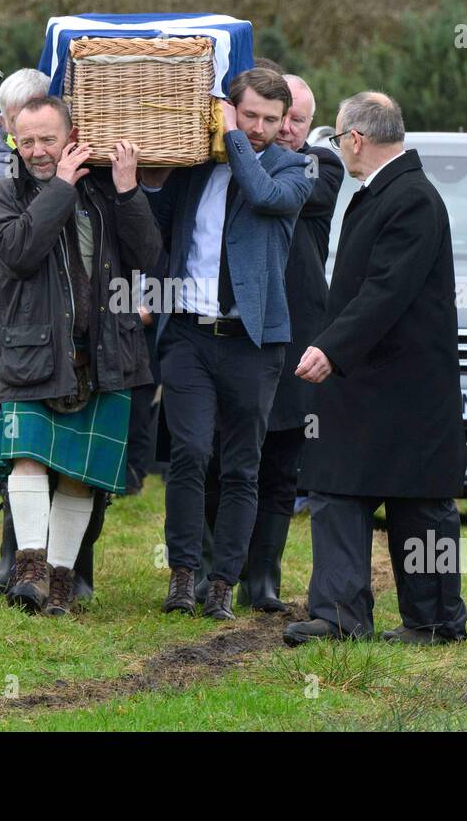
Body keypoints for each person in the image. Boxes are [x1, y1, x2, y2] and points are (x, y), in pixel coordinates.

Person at [283, 91, 467, 647]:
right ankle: (340, 615)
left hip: (406, 388)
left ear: (356, 140)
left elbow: (386, 291)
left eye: (338, 139)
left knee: (420, 504)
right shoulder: (386, 191)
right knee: (336, 489)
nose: (340, 149)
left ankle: (434, 623)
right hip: (362, 385)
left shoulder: (411, 198)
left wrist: (331, 348)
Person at [0, 95, 161, 615]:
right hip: (34, 351)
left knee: (81, 471)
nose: (37, 151)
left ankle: (60, 580)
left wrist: (129, 193)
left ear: (72, 135)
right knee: (29, 457)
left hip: (104, 351)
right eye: (27, 140)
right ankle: (29, 567)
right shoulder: (3, 194)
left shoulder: (105, 194)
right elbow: (19, 250)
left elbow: (150, 256)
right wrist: (59, 185)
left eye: (48, 140)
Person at [146, 67, 313, 620]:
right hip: (190, 335)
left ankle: (223, 583)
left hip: (253, 342)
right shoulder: (198, 168)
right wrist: (141, 177)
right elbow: (155, 223)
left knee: (243, 466)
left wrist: (233, 137)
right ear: (229, 108)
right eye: (250, 116)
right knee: (190, 453)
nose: (262, 128)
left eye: (272, 119)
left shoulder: (293, 168)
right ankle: (182, 574)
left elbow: (263, 194)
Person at [194, 73, 343, 611]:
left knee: (280, 461)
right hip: (237, 331)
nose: (282, 132)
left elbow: (267, 195)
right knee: (221, 454)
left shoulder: (318, 167)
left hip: (295, 331)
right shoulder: (238, 160)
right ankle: (215, 571)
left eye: (296, 121)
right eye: (278, 120)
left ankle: (264, 577)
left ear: (305, 124)